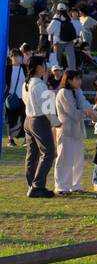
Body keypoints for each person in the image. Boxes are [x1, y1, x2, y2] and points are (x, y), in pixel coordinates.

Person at [53, 69, 96, 193]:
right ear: (69, 80)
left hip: (77, 130)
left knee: (78, 159)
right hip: (65, 130)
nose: (79, 81)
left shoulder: (77, 91)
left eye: (79, 78)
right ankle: (61, 186)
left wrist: (92, 110)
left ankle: (75, 185)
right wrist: (88, 112)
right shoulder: (63, 93)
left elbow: (84, 103)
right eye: (77, 79)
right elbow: (73, 113)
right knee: (65, 158)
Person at [22, 56, 56, 197]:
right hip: (39, 120)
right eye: (44, 64)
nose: (46, 67)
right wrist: (57, 122)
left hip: (28, 120)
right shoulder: (40, 85)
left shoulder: (27, 83)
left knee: (32, 154)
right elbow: (48, 108)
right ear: (38, 67)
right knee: (48, 152)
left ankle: (32, 184)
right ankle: (37, 186)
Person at [6, 49, 26, 147]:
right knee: (10, 118)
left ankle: (26, 139)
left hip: (23, 97)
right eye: (14, 56)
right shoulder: (7, 68)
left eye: (18, 55)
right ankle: (11, 140)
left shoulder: (24, 68)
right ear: (10, 57)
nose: (16, 57)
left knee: (24, 118)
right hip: (11, 97)